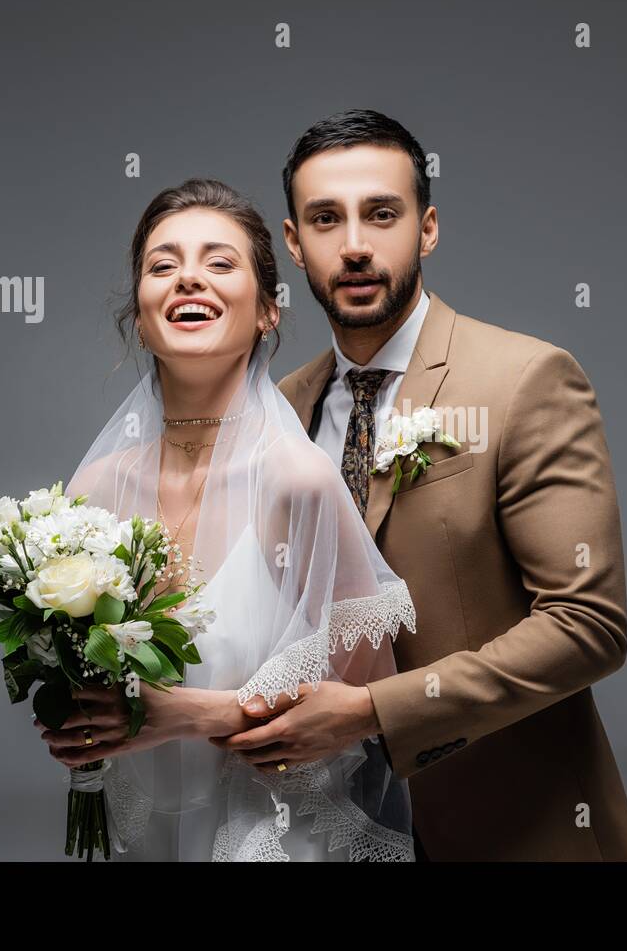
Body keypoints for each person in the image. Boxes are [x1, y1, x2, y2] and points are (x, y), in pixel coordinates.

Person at [219, 109, 627, 860]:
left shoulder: (523, 380)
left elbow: (588, 625)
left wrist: (371, 712)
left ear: (428, 228)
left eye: (381, 214)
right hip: (330, 830)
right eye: (326, 219)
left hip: (511, 826)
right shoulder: (278, 411)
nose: (354, 245)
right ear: (293, 243)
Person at [35, 177, 418, 861]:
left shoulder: (298, 481)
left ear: (269, 309)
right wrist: (80, 728)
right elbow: (89, 686)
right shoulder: (94, 489)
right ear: (142, 313)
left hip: (277, 835)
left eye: (218, 262)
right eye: (162, 266)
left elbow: (363, 711)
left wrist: (184, 715)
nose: (188, 279)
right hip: (147, 836)